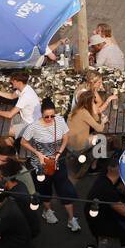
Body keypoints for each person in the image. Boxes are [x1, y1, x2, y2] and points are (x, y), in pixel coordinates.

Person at [19, 97, 82, 234]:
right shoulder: (34, 126)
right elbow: (23, 142)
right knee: (44, 188)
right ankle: (47, 210)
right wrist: (38, 153)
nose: (49, 118)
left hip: (57, 160)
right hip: (41, 164)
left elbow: (65, 137)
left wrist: (59, 152)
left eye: (52, 115)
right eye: (46, 116)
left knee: (64, 188)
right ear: (41, 114)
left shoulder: (59, 121)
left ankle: (72, 218)